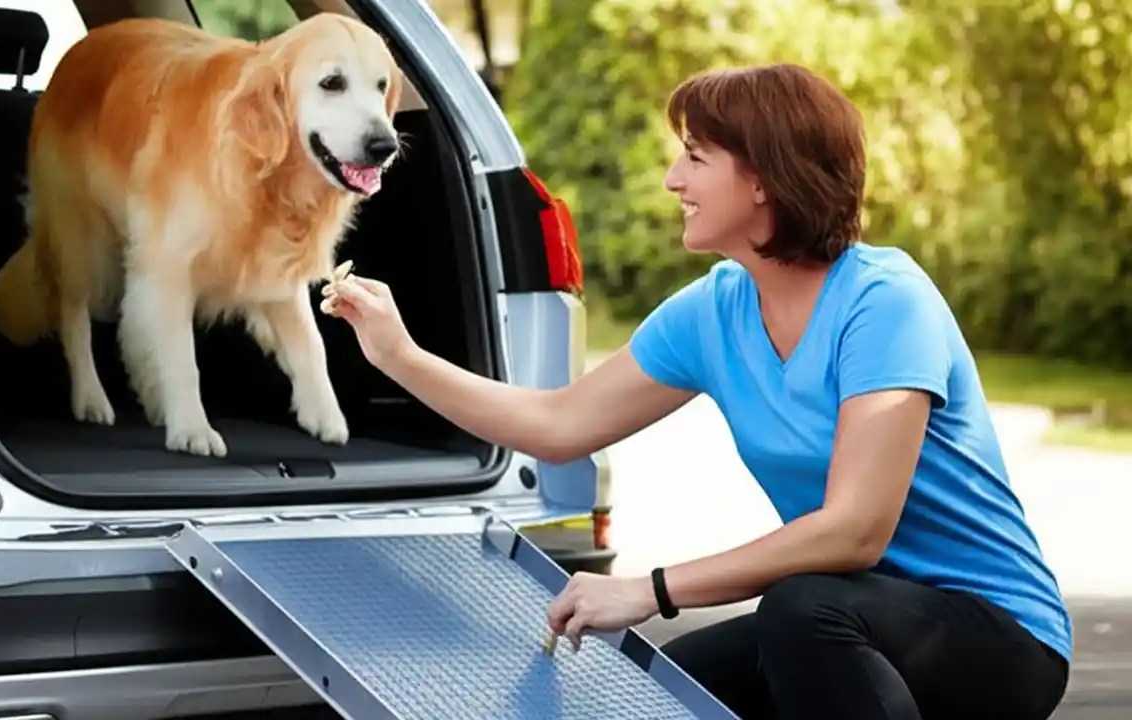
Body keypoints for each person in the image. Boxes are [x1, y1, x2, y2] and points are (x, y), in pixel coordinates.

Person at [323, 62, 1071, 719]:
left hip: (997, 637)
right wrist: (399, 355)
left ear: (765, 180)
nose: (673, 180)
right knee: (666, 690)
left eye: (695, 158)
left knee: (803, 611)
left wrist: (651, 589)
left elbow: (855, 531)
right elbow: (556, 424)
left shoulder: (885, 303)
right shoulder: (716, 311)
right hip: (855, 621)